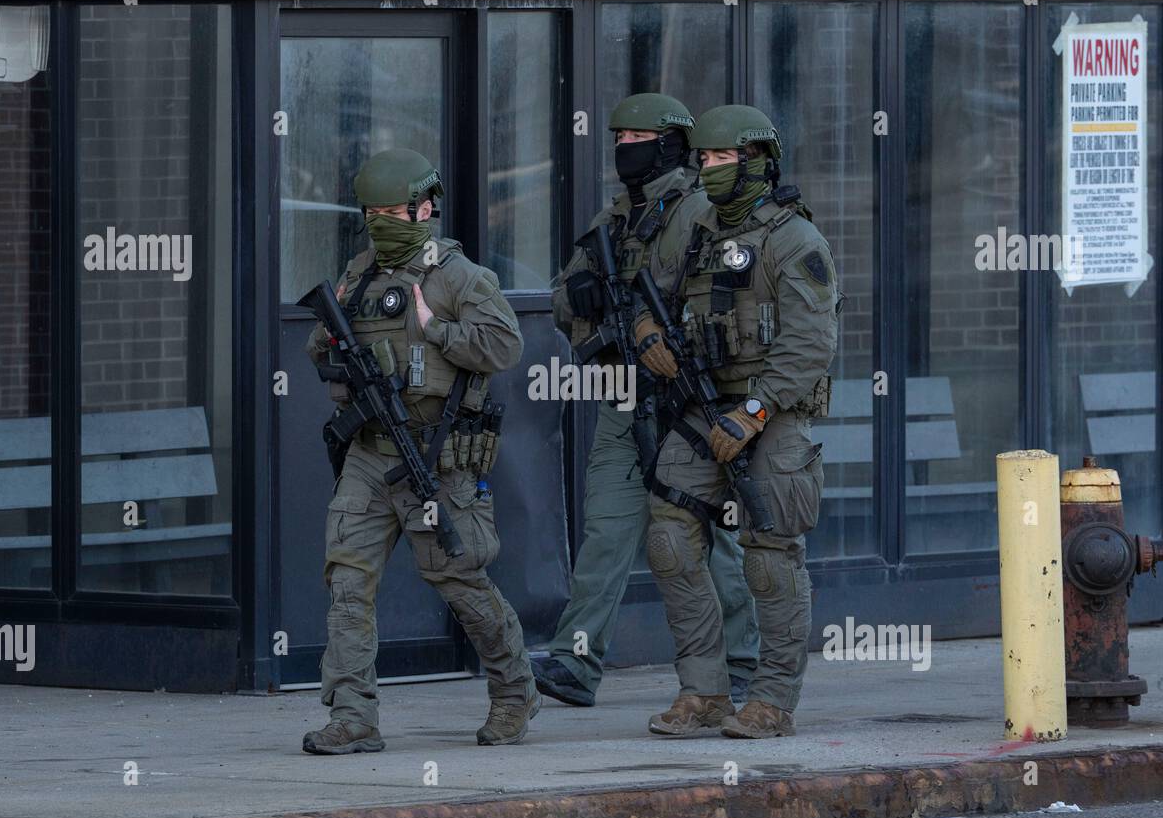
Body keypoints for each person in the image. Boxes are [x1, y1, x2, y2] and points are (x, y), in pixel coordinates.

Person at [302, 148, 539, 753]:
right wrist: (337, 352)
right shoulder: (360, 275)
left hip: (436, 454)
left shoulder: (460, 277)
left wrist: (435, 328)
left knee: (458, 577)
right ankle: (352, 715)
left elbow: (505, 346)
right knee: (348, 579)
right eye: (372, 211)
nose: (381, 221)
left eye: (394, 211)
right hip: (369, 449)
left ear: (426, 208)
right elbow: (317, 346)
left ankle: (514, 692)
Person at [535, 93, 759, 709]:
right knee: (607, 528)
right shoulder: (612, 224)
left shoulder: (700, 214)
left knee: (710, 531)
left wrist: (656, 328)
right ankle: (574, 662)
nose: (622, 149)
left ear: (667, 144)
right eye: (618, 138)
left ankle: (741, 659)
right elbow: (561, 296)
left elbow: (721, 295)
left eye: (636, 139)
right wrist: (583, 299)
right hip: (622, 394)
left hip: (685, 398)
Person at [641, 105, 839, 739]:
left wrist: (753, 412)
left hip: (771, 411)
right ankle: (704, 692)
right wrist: (649, 337)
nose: (710, 170)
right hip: (700, 406)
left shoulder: (795, 239)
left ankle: (773, 701)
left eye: (723, 160)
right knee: (669, 538)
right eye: (703, 159)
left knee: (770, 558)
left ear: (757, 162)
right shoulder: (691, 222)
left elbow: (810, 346)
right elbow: (649, 291)